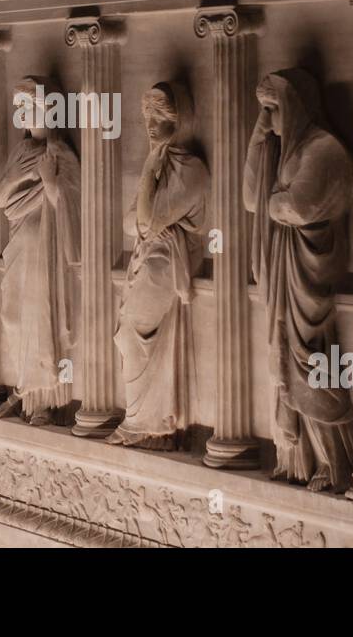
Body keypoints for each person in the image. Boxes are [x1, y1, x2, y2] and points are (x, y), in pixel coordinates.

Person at [245, 69, 353, 492]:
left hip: (307, 277)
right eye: (265, 110)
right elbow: (250, 197)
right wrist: (260, 139)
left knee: (310, 359)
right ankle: (296, 460)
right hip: (285, 273)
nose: (269, 117)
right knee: (285, 358)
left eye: (274, 109)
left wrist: (275, 200)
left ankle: (337, 463)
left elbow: (298, 206)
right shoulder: (285, 150)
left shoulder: (323, 149)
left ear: (295, 106)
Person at [109, 83, 208, 450]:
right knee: (125, 335)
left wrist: (151, 163)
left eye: (160, 116)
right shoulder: (162, 166)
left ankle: (145, 423)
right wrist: (152, 167)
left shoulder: (191, 169)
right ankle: (143, 419)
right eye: (147, 115)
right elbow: (129, 221)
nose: (151, 124)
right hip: (148, 256)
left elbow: (146, 221)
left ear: (179, 119)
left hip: (168, 262)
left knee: (132, 333)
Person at [0, 77, 82, 426]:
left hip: (47, 251)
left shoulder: (60, 154)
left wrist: (47, 180)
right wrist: (15, 176)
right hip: (19, 247)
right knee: (12, 318)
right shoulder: (21, 152)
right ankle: (24, 387)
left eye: (28, 108)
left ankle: (41, 399)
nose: (23, 116)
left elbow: (70, 204)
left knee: (41, 322)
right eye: (19, 110)